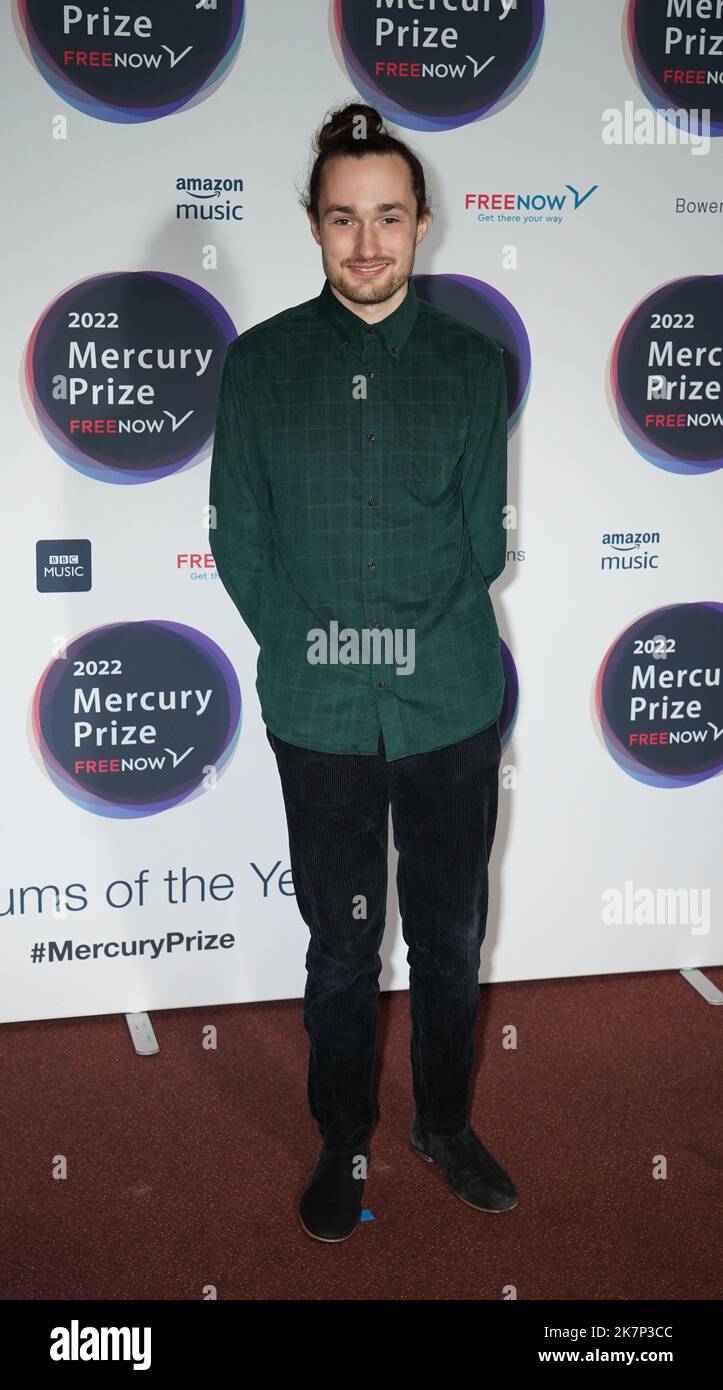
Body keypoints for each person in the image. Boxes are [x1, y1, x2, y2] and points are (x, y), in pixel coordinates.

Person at [209, 100, 517, 1242]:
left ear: (423, 223)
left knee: (445, 935)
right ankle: (342, 1141)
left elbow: (484, 539)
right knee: (343, 943)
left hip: (448, 709)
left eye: (389, 216)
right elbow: (240, 540)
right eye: (345, 219)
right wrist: (321, 648)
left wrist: (405, 640)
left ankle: (444, 1123)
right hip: (322, 715)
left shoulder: (471, 367)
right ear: (314, 226)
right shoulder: (260, 367)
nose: (369, 242)